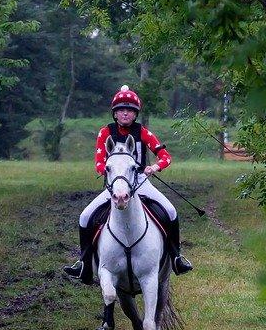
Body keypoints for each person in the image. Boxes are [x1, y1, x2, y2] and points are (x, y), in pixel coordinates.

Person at [64, 85, 194, 283]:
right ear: (115, 113)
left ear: (135, 114)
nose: (125, 113)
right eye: (121, 110)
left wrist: (154, 168)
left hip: (141, 182)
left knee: (170, 211)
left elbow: (165, 157)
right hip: (115, 185)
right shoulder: (105, 132)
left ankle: (176, 258)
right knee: (85, 216)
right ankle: (83, 262)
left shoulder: (143, 133)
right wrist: (112, 174)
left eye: (130, 110)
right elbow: (99, 163)